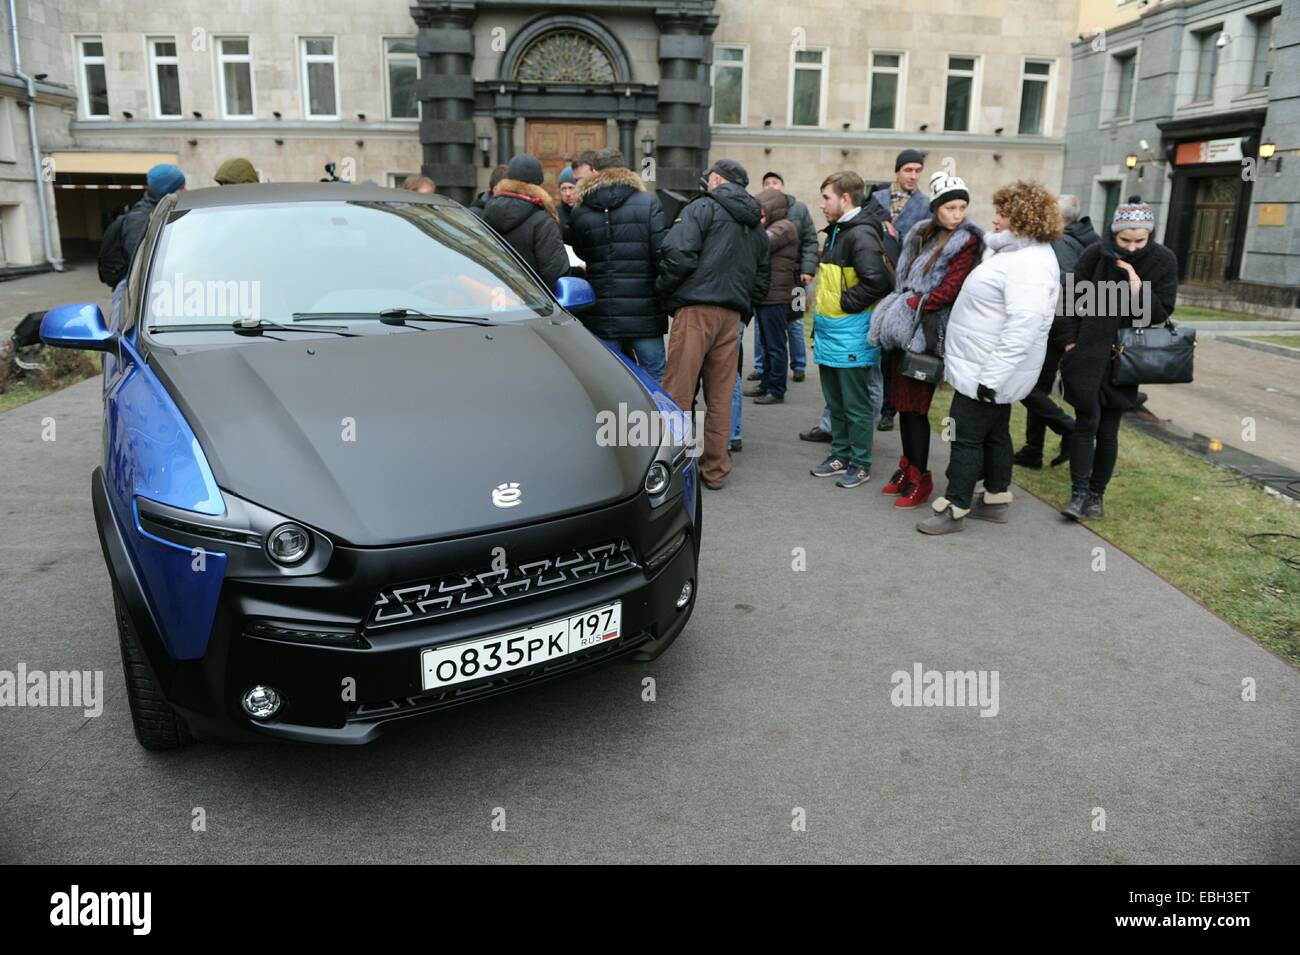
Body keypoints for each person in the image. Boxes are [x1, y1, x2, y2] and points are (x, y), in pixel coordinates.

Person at [916, 180, 1062, 535]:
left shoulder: (1028, 263)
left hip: (986, 369)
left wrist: (990, 378)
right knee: (996, 433)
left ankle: (954, 507)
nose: (995, 219)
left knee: (965, 436)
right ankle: (995, 497)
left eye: (1004, 213)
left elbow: (1024, 325)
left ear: (1023, 220)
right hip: (987, 365)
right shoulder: (1020, 255)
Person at [868, 171, 983, 509]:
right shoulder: (922, 234)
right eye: (950, 207)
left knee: (916, 408)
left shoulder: (968, 240)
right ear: (936, 209)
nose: (957, 214)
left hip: (928, 332)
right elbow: (903, 279)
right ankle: (908, 467)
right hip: (903, 329)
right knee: (903, 405)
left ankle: (921, 477)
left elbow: (950, 288)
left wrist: (914, 305)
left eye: (962, 207)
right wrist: (902, 309)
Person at [1058, 198, 1178, 520]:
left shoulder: (1163, 260)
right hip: (1087, 355)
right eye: (1126, 240)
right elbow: (1070, 303)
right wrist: (1070, 343)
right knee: (1086, 424)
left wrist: (1138, 288)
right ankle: (1078, 494)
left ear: (1149, 235)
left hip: (1125, 360)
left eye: (1140, 240)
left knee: (1108, 430)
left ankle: (1096, 495)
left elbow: (1159, 314)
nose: (1133, 247)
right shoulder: (1094, 255)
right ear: (1114, 234)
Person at [658, 159, 770, 491]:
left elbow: (677, 253)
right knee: (721, 397)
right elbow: (762, 278)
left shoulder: (701, 208)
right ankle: (715, 469)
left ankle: (671, 467)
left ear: (716, 179)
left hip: (696, 309)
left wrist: (666, 293)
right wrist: (744, 312)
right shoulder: (756, 224)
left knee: (677, 391)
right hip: (732, 314)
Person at [808, 171, 893, 489]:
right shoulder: (839, 231)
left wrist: (846, 303)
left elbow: (878, 281)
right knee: (837, 400)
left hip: (851, 333)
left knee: (855, 404)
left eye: (826, 197)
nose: (821, 204)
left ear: (845, 199)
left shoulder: (859, 234)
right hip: (833, 333)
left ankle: (860, 462)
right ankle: (840, 454)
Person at [567, 147, 668, 381]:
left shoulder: (581, 209)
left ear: (594, 170)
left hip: (603, 310)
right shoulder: (648, 203)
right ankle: (652, 418)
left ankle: (613, 418)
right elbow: (661, 251)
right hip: (645, 311)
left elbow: (582, 251)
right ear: (624, 168)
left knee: (608, 377)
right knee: (655, 375)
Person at [1013, 194, 1098, 470]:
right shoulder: (1090, 238)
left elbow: (1064, 292)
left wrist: (1065, 338)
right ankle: (1033, 449)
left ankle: (1069, 432)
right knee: (1039, 387)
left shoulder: (1060, 244)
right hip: (1075, 329)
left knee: (1026, 387)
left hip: (1057, 329)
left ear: (1059, 218)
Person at [869, 149, 930, 433]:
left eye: (918, 170)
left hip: (903, 285)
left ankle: (888, 408)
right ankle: (870, 401)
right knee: (871, 343)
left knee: (892, 348)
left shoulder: (925, 205)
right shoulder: (877, 199)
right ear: (897, 171)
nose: (914, 175)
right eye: (908, 170)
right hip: (874, 279)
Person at [750, 171, 819, 385]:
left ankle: (798, 365)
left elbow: (810, 240)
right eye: (767, 183)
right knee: (764, 328)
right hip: (773, 281)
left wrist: (807, 269)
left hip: (797, 279)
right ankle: (761, 368)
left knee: (795, 323)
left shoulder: (799, 209)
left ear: (783, 185)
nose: (771, 186)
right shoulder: (764, 214)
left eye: (775, 182)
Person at [480, 153, 570, 290]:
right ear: (538, 184)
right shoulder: (543, 220)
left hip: (490, 297)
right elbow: (555, 271)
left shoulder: (487, 212)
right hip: (531, 304)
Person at [744, 187, 800, 403]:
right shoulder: (774, 226)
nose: (760, 215)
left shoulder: (784, 227)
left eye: (763, 211)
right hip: (767, 296)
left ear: (774, 209)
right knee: (767, 346)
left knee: (775, 346)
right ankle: (766, 384)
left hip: (776, 297)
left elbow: (760, 244)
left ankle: (776, 390)